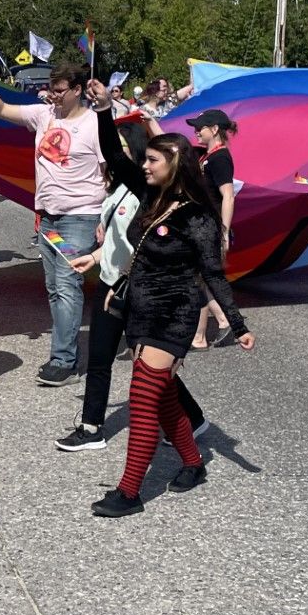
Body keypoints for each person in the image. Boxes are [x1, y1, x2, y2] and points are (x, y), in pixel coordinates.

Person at [67, 131, 251, 518]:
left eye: (153, 160)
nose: (145, 166)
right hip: (139, 311)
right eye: (145, 159)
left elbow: (214, 275)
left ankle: (130, 492)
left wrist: (237, 323)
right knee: (163, 394)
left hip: (174, 314)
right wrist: (102, 109)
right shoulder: (152, 196)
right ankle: (193, 461)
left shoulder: (199, 216)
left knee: (144, 399)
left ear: (174, 164)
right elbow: (115, 158)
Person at [58, 81, 213, 453]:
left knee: (152, 371)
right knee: (99, 358)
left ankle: (191, 420)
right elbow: (111, 155)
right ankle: (92, 426)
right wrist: (103, 109)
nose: (130, 161)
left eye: (138, 156)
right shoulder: (119, 189)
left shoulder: (159, 200)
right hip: (113, 284)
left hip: (141, 294)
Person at [0, 61, 105, 385]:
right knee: (54, 288)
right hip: (48, 217)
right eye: (53, 89)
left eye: (61, 91)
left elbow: (109, 172)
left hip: (81, 215)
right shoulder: (43, 115)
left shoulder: (95, 124)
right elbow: (1, 108)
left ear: (78, 90)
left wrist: (106, 217)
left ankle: (65, 362)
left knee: (66, 285)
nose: (55, 96)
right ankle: (64, 351)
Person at [186, 108, 238, 349]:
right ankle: (226, 322)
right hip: (202, 226)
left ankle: (200, 336)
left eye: (201, 128)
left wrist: (224, 232)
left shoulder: (220, 158)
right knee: (202, 280)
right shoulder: (207, 156)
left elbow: (228, 196)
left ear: (215, 130)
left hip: (212, 229)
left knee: (201, 281)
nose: (196, 131)